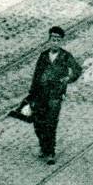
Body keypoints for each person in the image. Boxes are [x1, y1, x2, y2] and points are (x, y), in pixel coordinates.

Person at [26, 26, 83, 163]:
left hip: (55, 96)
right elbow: (36, 76)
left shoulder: (65, 56)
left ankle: (50, 152)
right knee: (38, 122)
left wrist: (67, 79)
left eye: (58, 39)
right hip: (40, 94)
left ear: (61, 41)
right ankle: (43, 146)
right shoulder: (43, 56)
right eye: (53, 39)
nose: (55, 42)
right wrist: (31, 95)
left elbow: (77, 70)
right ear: (49, 40)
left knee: (51, 123)